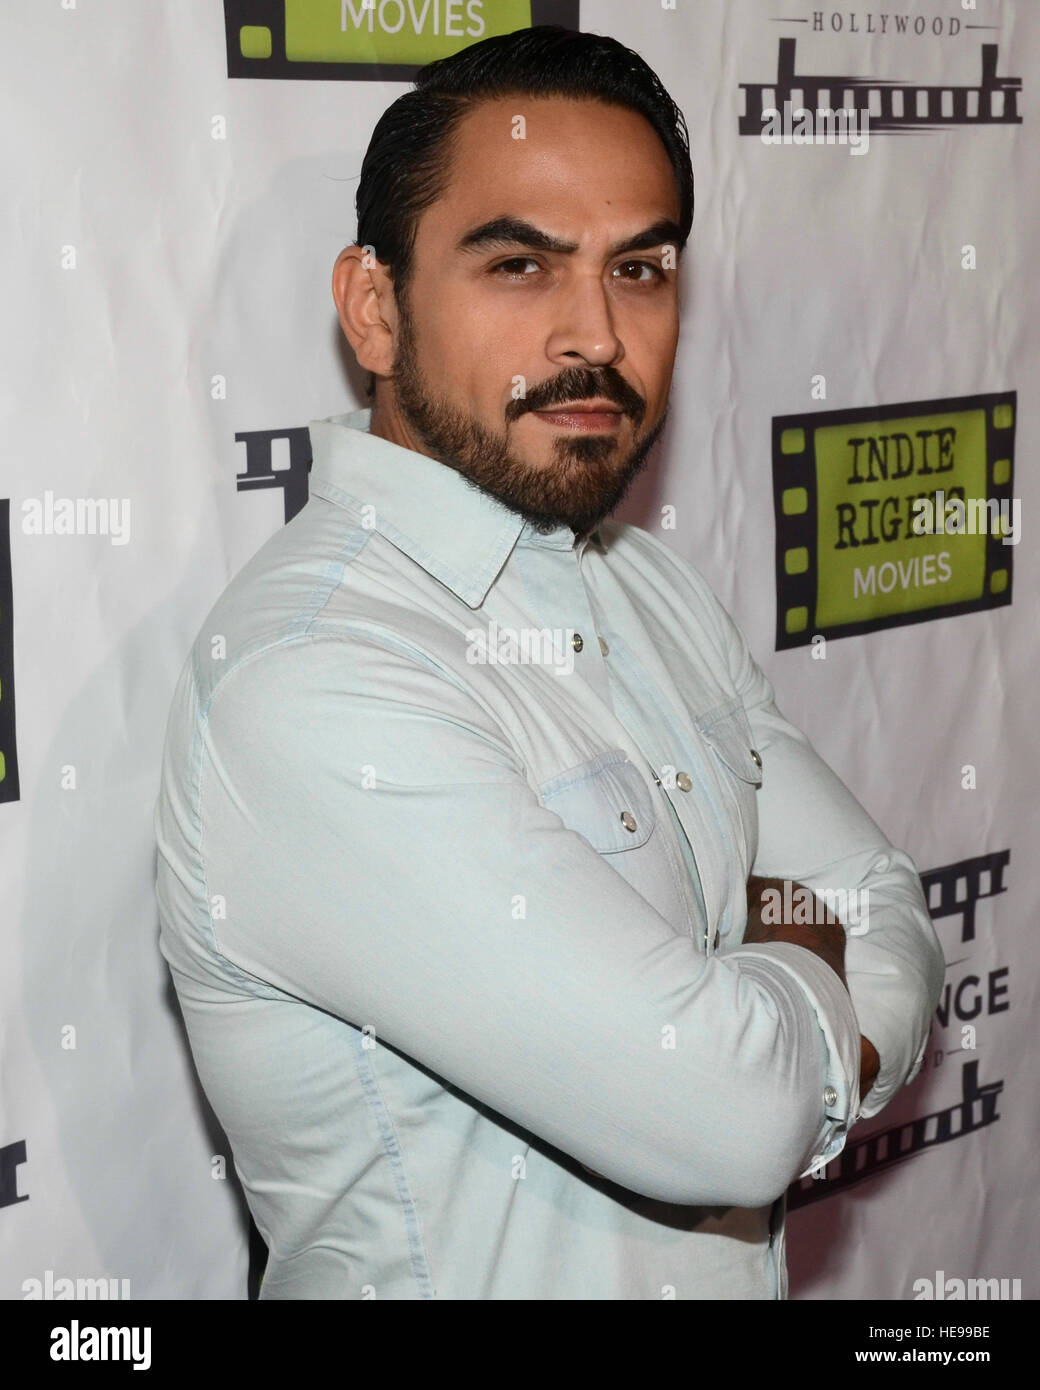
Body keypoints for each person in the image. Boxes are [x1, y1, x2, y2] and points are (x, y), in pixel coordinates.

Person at [153, 25, 945, 1300]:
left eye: (639, 269)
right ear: (373, 307)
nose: (595, 335)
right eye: (519, 264)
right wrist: (807, 987)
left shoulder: (646, 585)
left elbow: (872, 890)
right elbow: (733, 1115)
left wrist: (777, 1027)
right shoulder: (313, 679)